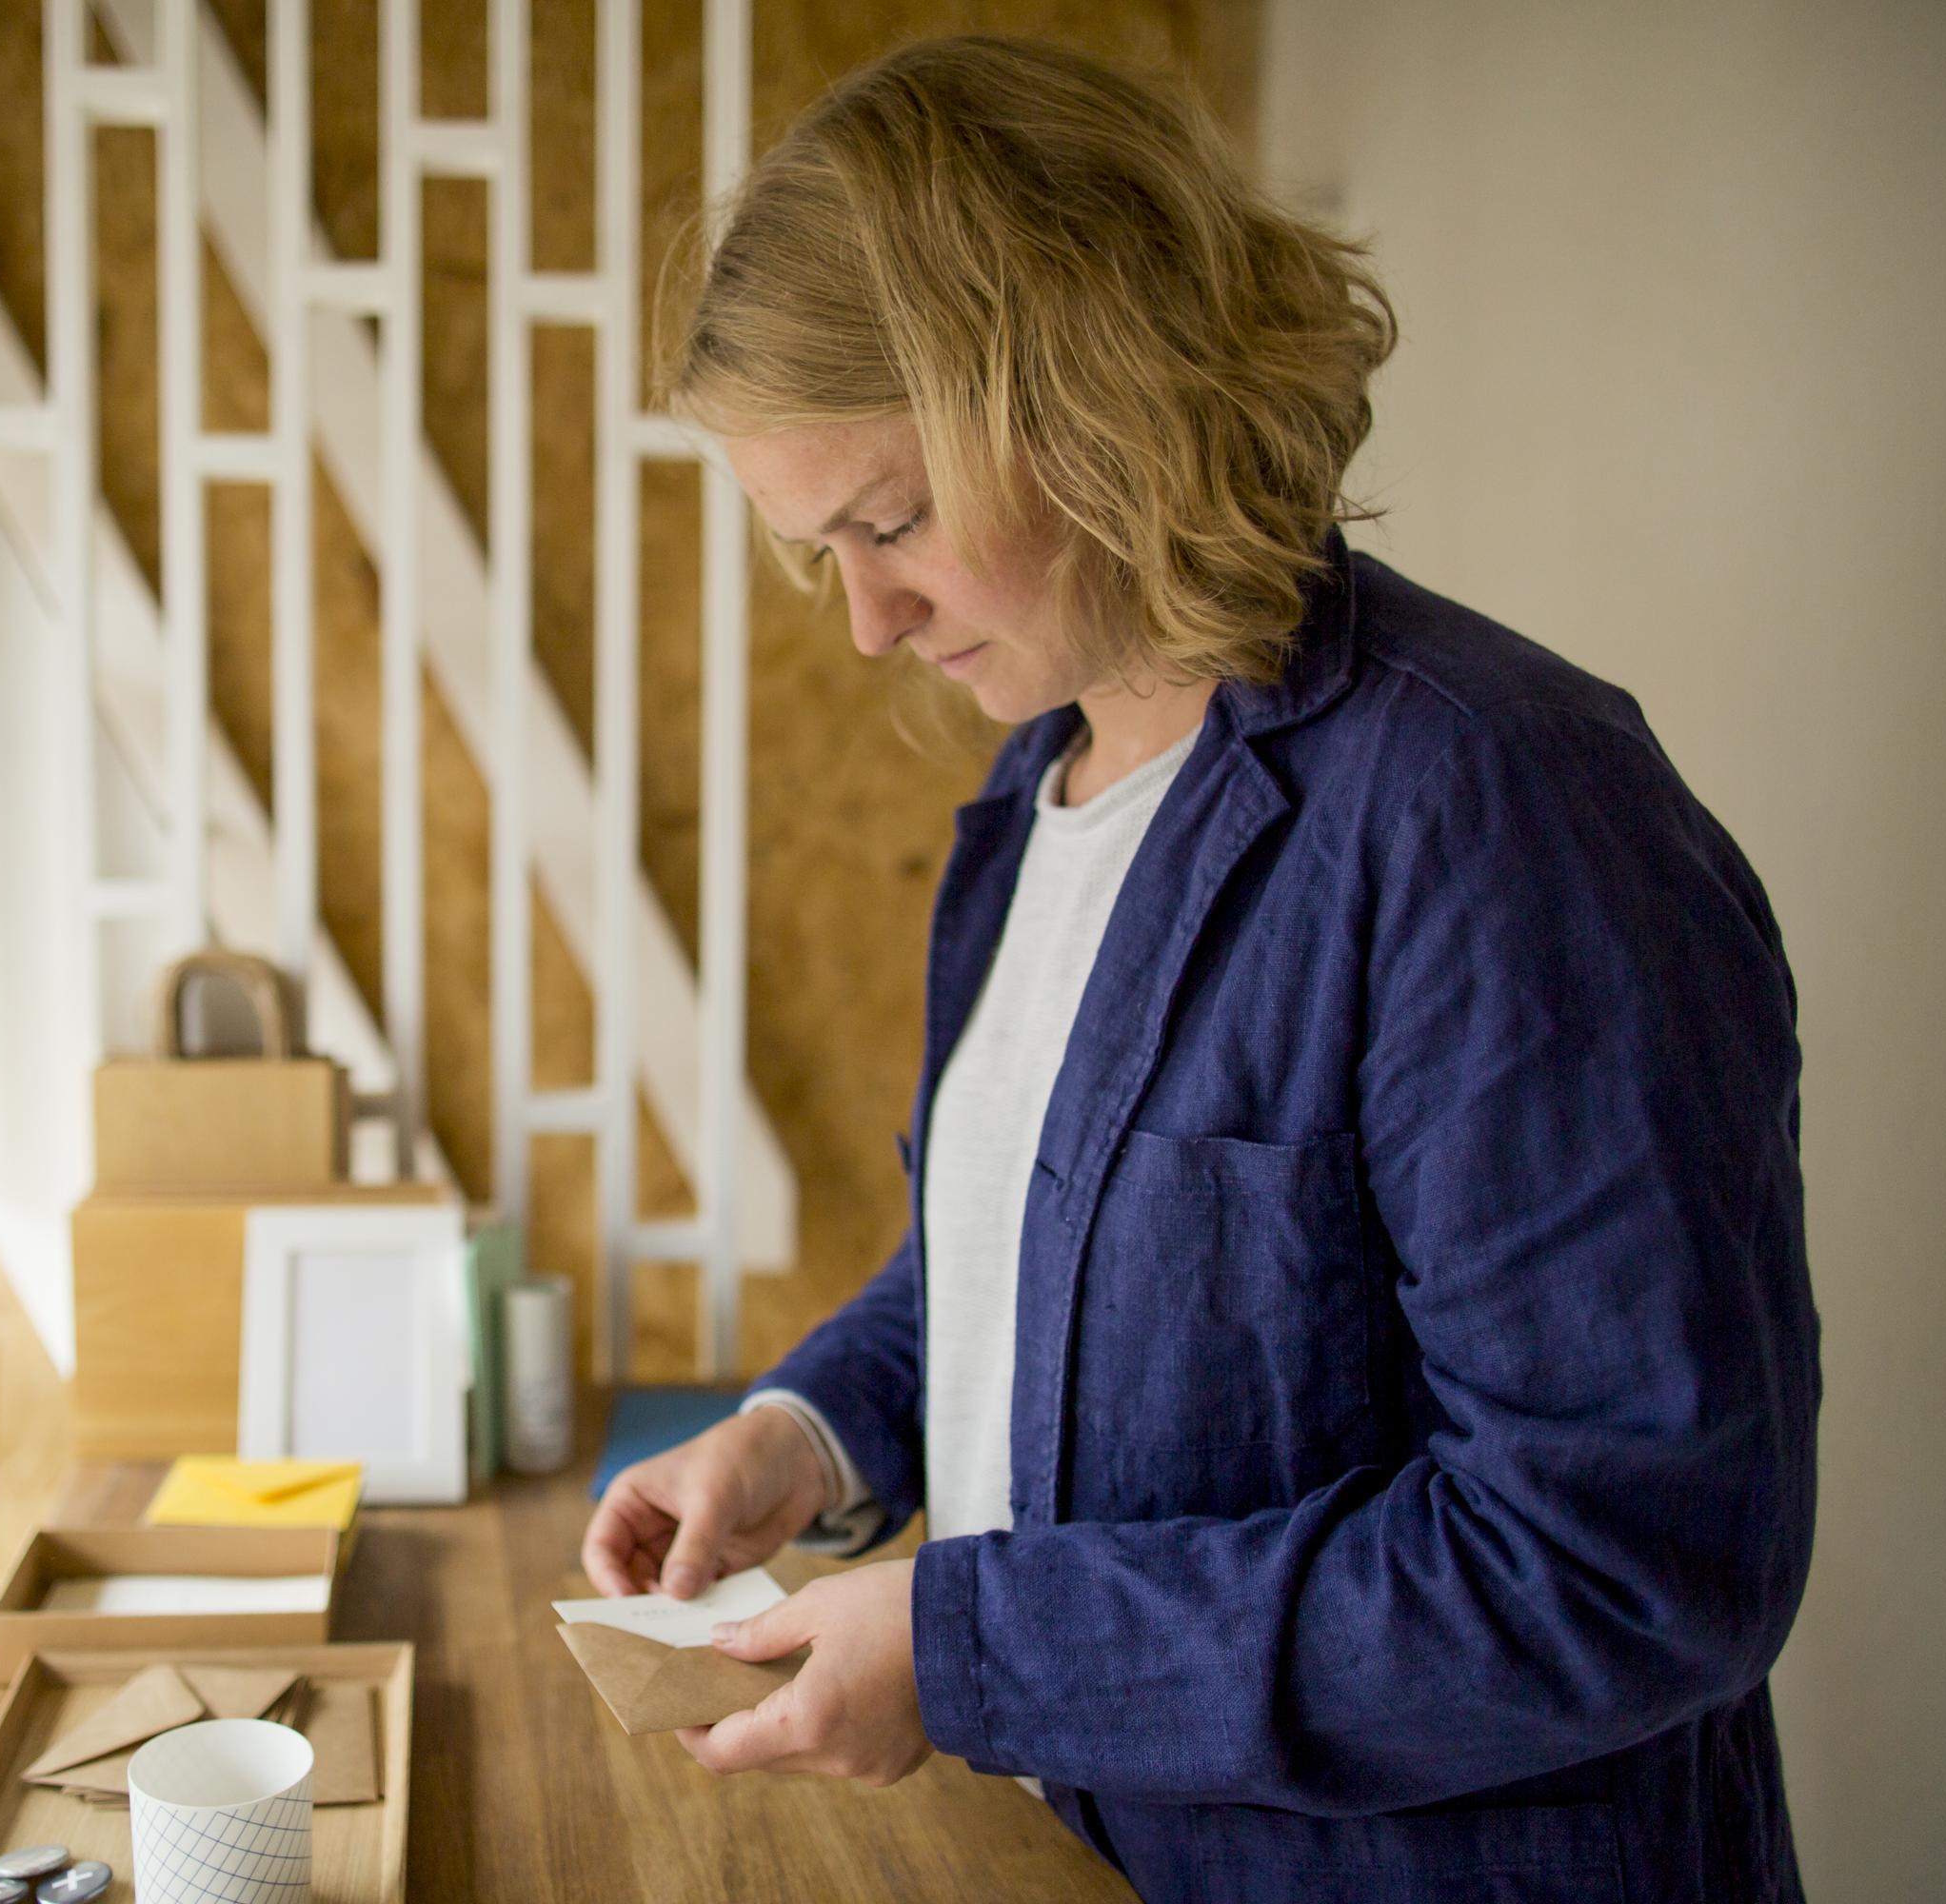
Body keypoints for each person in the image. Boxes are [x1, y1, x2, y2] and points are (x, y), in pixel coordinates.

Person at [580, 35, 1816, 1904]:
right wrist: (802, 1433)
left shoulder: (1496, 806)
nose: (865, 620)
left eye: (894, 520)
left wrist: (974, 1645)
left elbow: (1623, 1562)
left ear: (1092, 396)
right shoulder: (1038, 799)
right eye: (816, 552)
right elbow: (1011, 1273)